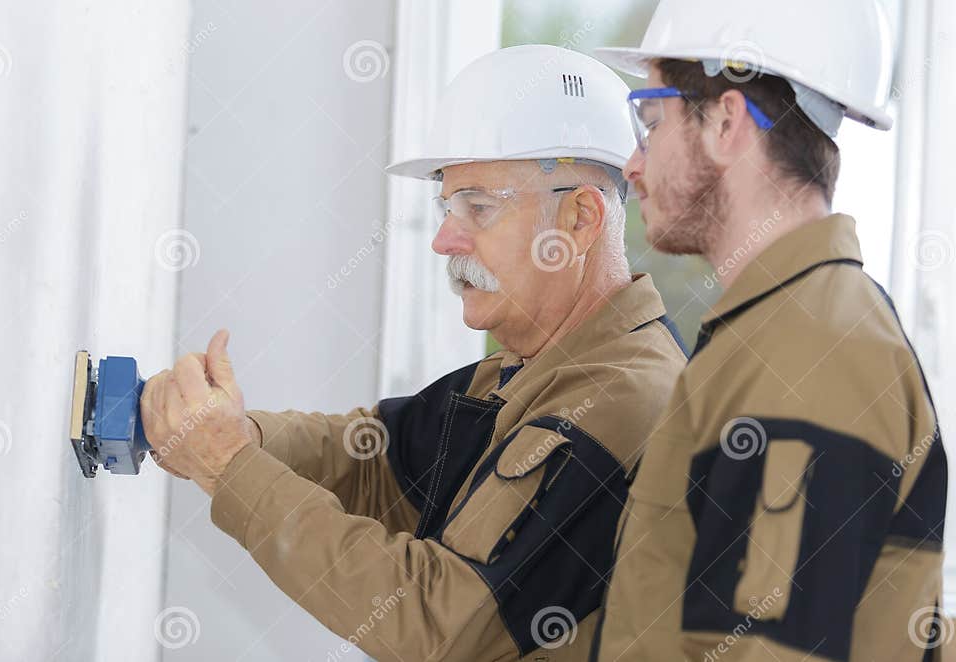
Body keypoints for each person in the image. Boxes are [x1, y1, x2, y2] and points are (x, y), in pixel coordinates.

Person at [141, 45, 687, 660]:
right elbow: (374, 462)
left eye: (478, 207)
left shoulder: (620, 402)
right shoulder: (523, 373)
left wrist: (229, 466)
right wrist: (232, 435)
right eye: (446, 207)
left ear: (581, 218)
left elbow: (442, 624)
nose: (443, 239)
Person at [590, 1, 947, 660]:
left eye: (651, 120)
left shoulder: (813, 348)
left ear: (726, 122)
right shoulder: (778, 333)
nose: (633, 166)